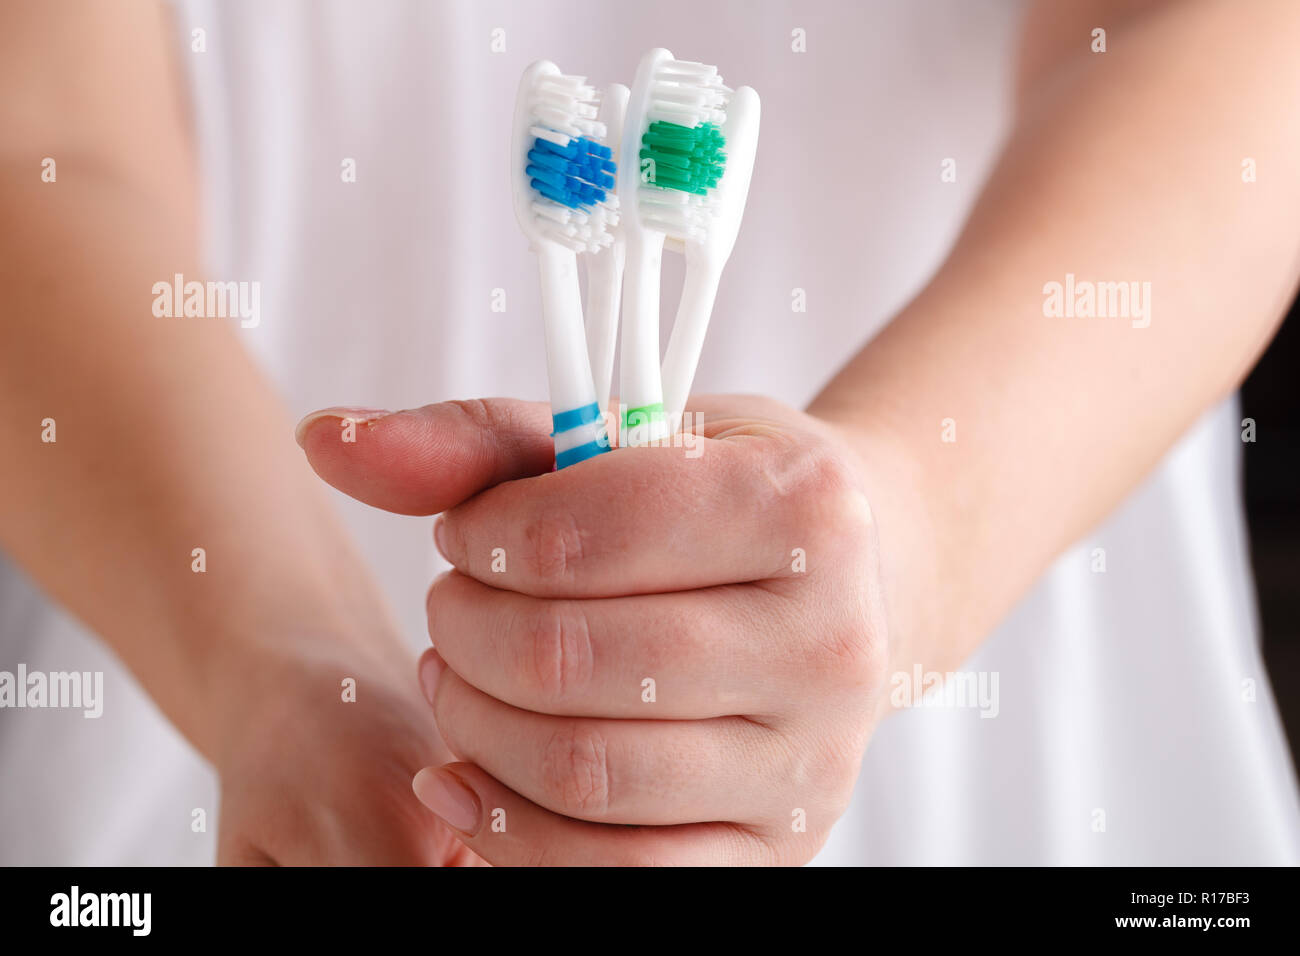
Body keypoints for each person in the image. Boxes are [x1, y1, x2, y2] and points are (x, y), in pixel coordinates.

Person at [1, 0, 1297, 866]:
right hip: (205, 715)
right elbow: (41, 138)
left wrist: (910, 533)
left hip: (1026, 731)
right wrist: (276, 667)